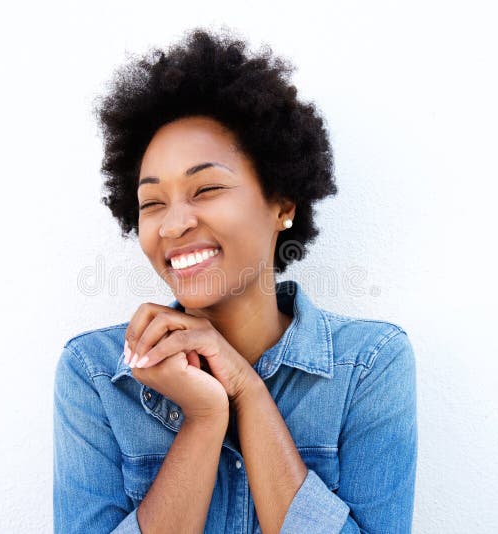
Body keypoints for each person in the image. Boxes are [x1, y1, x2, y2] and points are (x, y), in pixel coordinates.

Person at [53, 27, 417, 534]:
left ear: (282, 204)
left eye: (205, 189)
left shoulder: (369, 365)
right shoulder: (96, 375)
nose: (173, 225)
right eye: (152, 202)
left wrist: (246, 390)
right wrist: (204, 420)